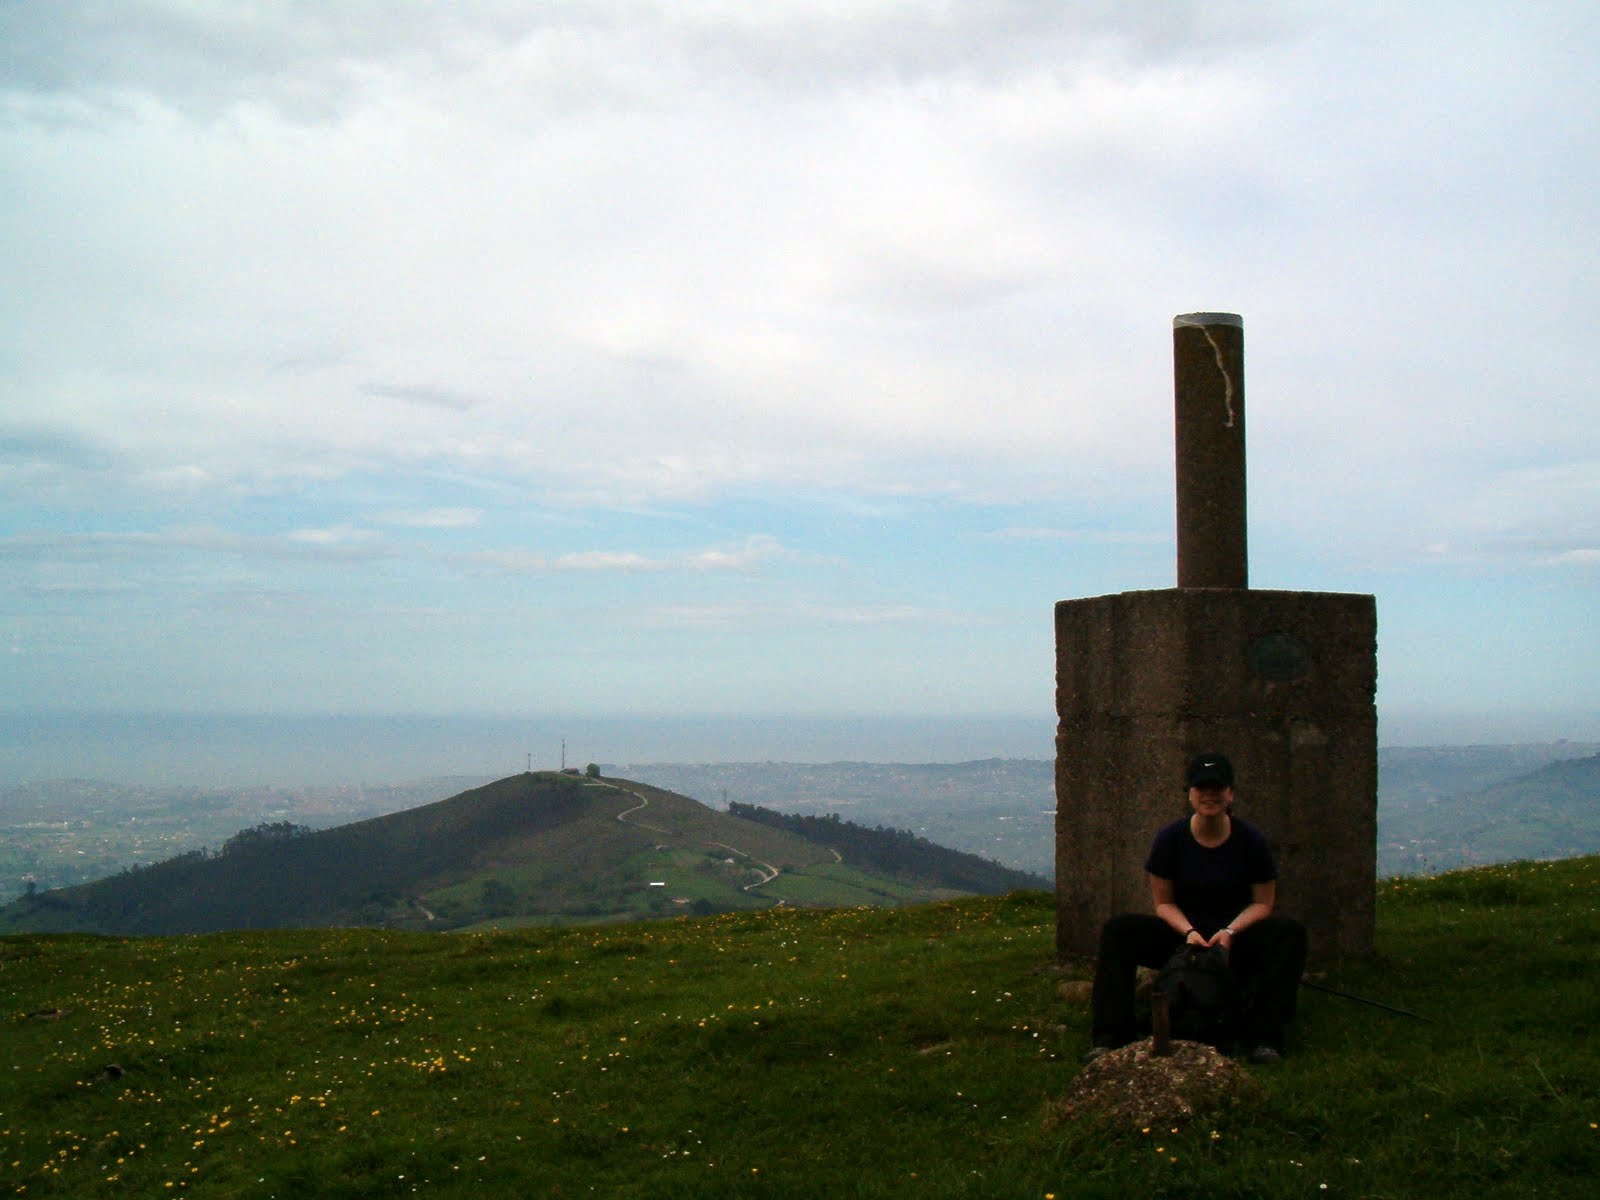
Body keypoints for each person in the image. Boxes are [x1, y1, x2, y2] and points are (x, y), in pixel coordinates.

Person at [1082, 752, 1307, 1065]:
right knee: (1119, 931)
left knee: (1289, 934)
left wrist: (1229, 933)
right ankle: (1110, 1037)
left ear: (1231, 793)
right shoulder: (1170, 839)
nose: (1209, 795)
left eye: (1218, 788)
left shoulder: (1250, 840)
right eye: (1202, 788)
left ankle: (1265, 1038)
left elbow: (1262, 903)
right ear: (1189, 793)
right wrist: (1188, 933)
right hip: (1182, 937)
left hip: (1234, 938)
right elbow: (1164, 903)